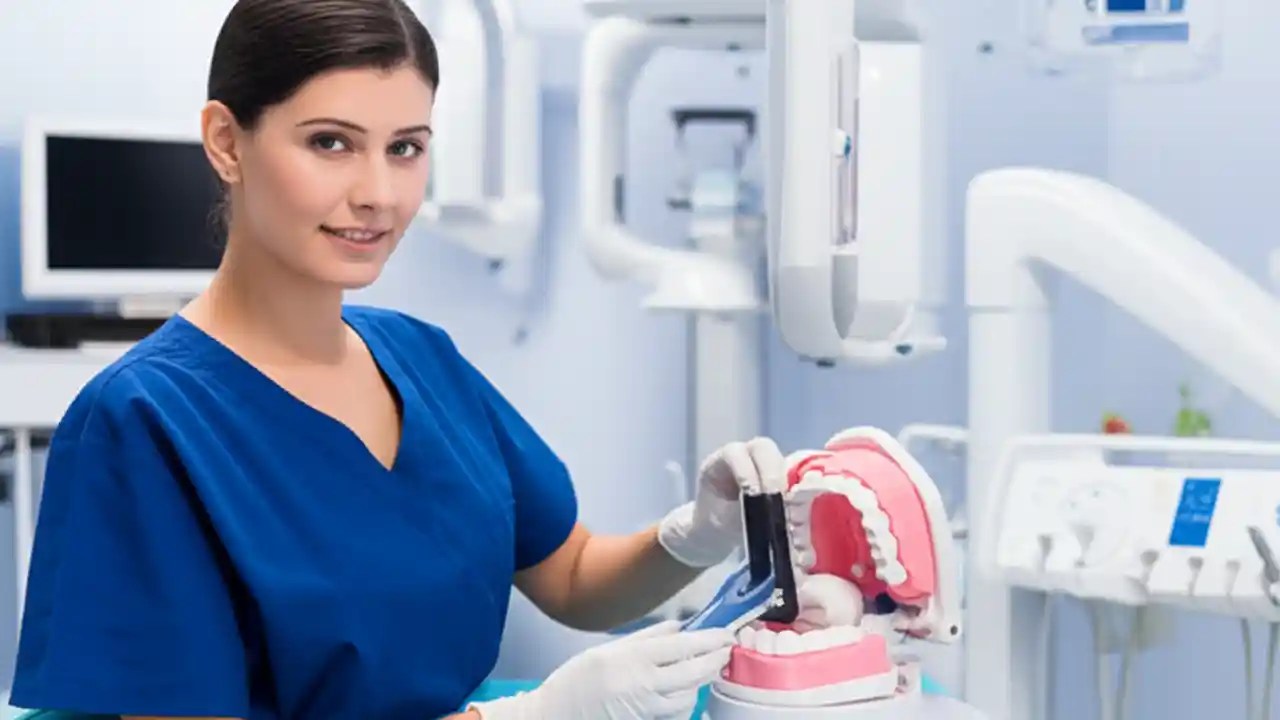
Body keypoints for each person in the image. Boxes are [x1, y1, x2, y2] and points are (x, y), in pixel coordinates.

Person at [8, 1, 788, 719]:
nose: (378, 192)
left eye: (405, 148)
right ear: (225, 142)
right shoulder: (144, 423)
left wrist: (694, 536)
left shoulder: (421, 358)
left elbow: (576, 575)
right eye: (330, 143)